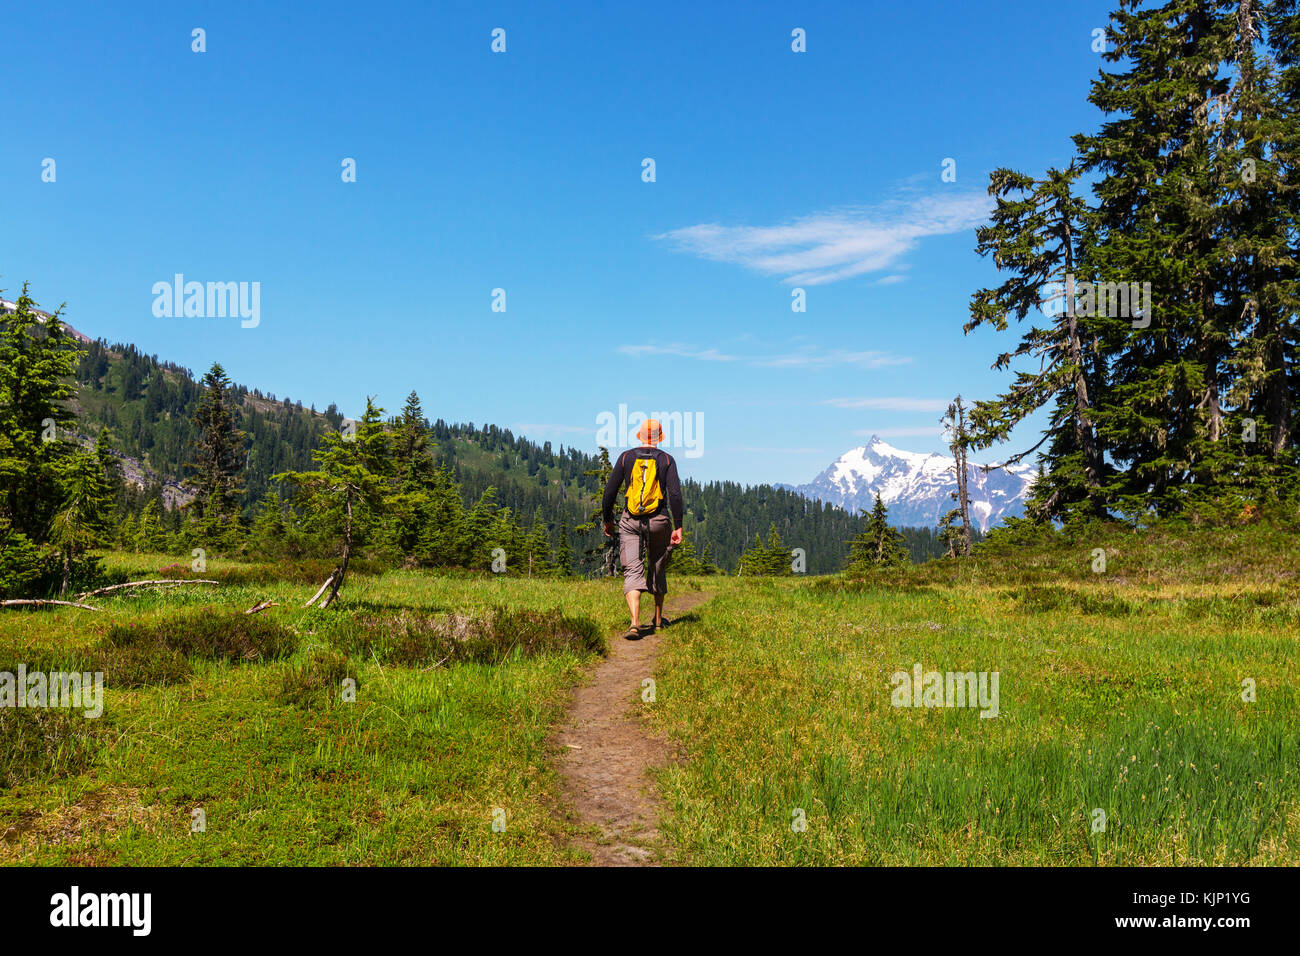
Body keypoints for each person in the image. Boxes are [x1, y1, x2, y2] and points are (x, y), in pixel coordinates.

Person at [601, 419, 684, 639]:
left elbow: (610, 491)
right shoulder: (667, 459)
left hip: (630, 521)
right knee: (657, 565)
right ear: (660, 437)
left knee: (632, 569)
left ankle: (635, 622)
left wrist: (608, 519)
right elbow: (674, 494)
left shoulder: (627, 457)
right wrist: (679, 526)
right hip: (659, 521)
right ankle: (657, 620)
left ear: (640, 436)